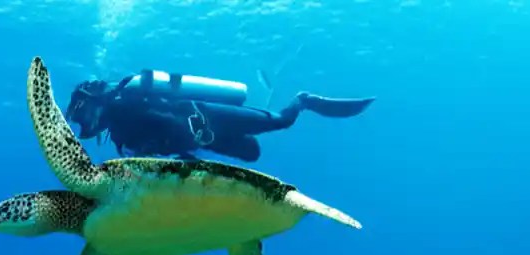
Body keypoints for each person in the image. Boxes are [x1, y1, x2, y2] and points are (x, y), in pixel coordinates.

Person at [64, 69, 374, 163]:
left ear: (92, 102)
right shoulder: (119, 137)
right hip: (202, 140)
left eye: (83, 117)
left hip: (207, 117)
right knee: (252, 152)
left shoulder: (125, 102)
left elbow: (167, 121)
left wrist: (156, 151)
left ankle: (303, 100)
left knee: (283, 120)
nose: (86, 127)